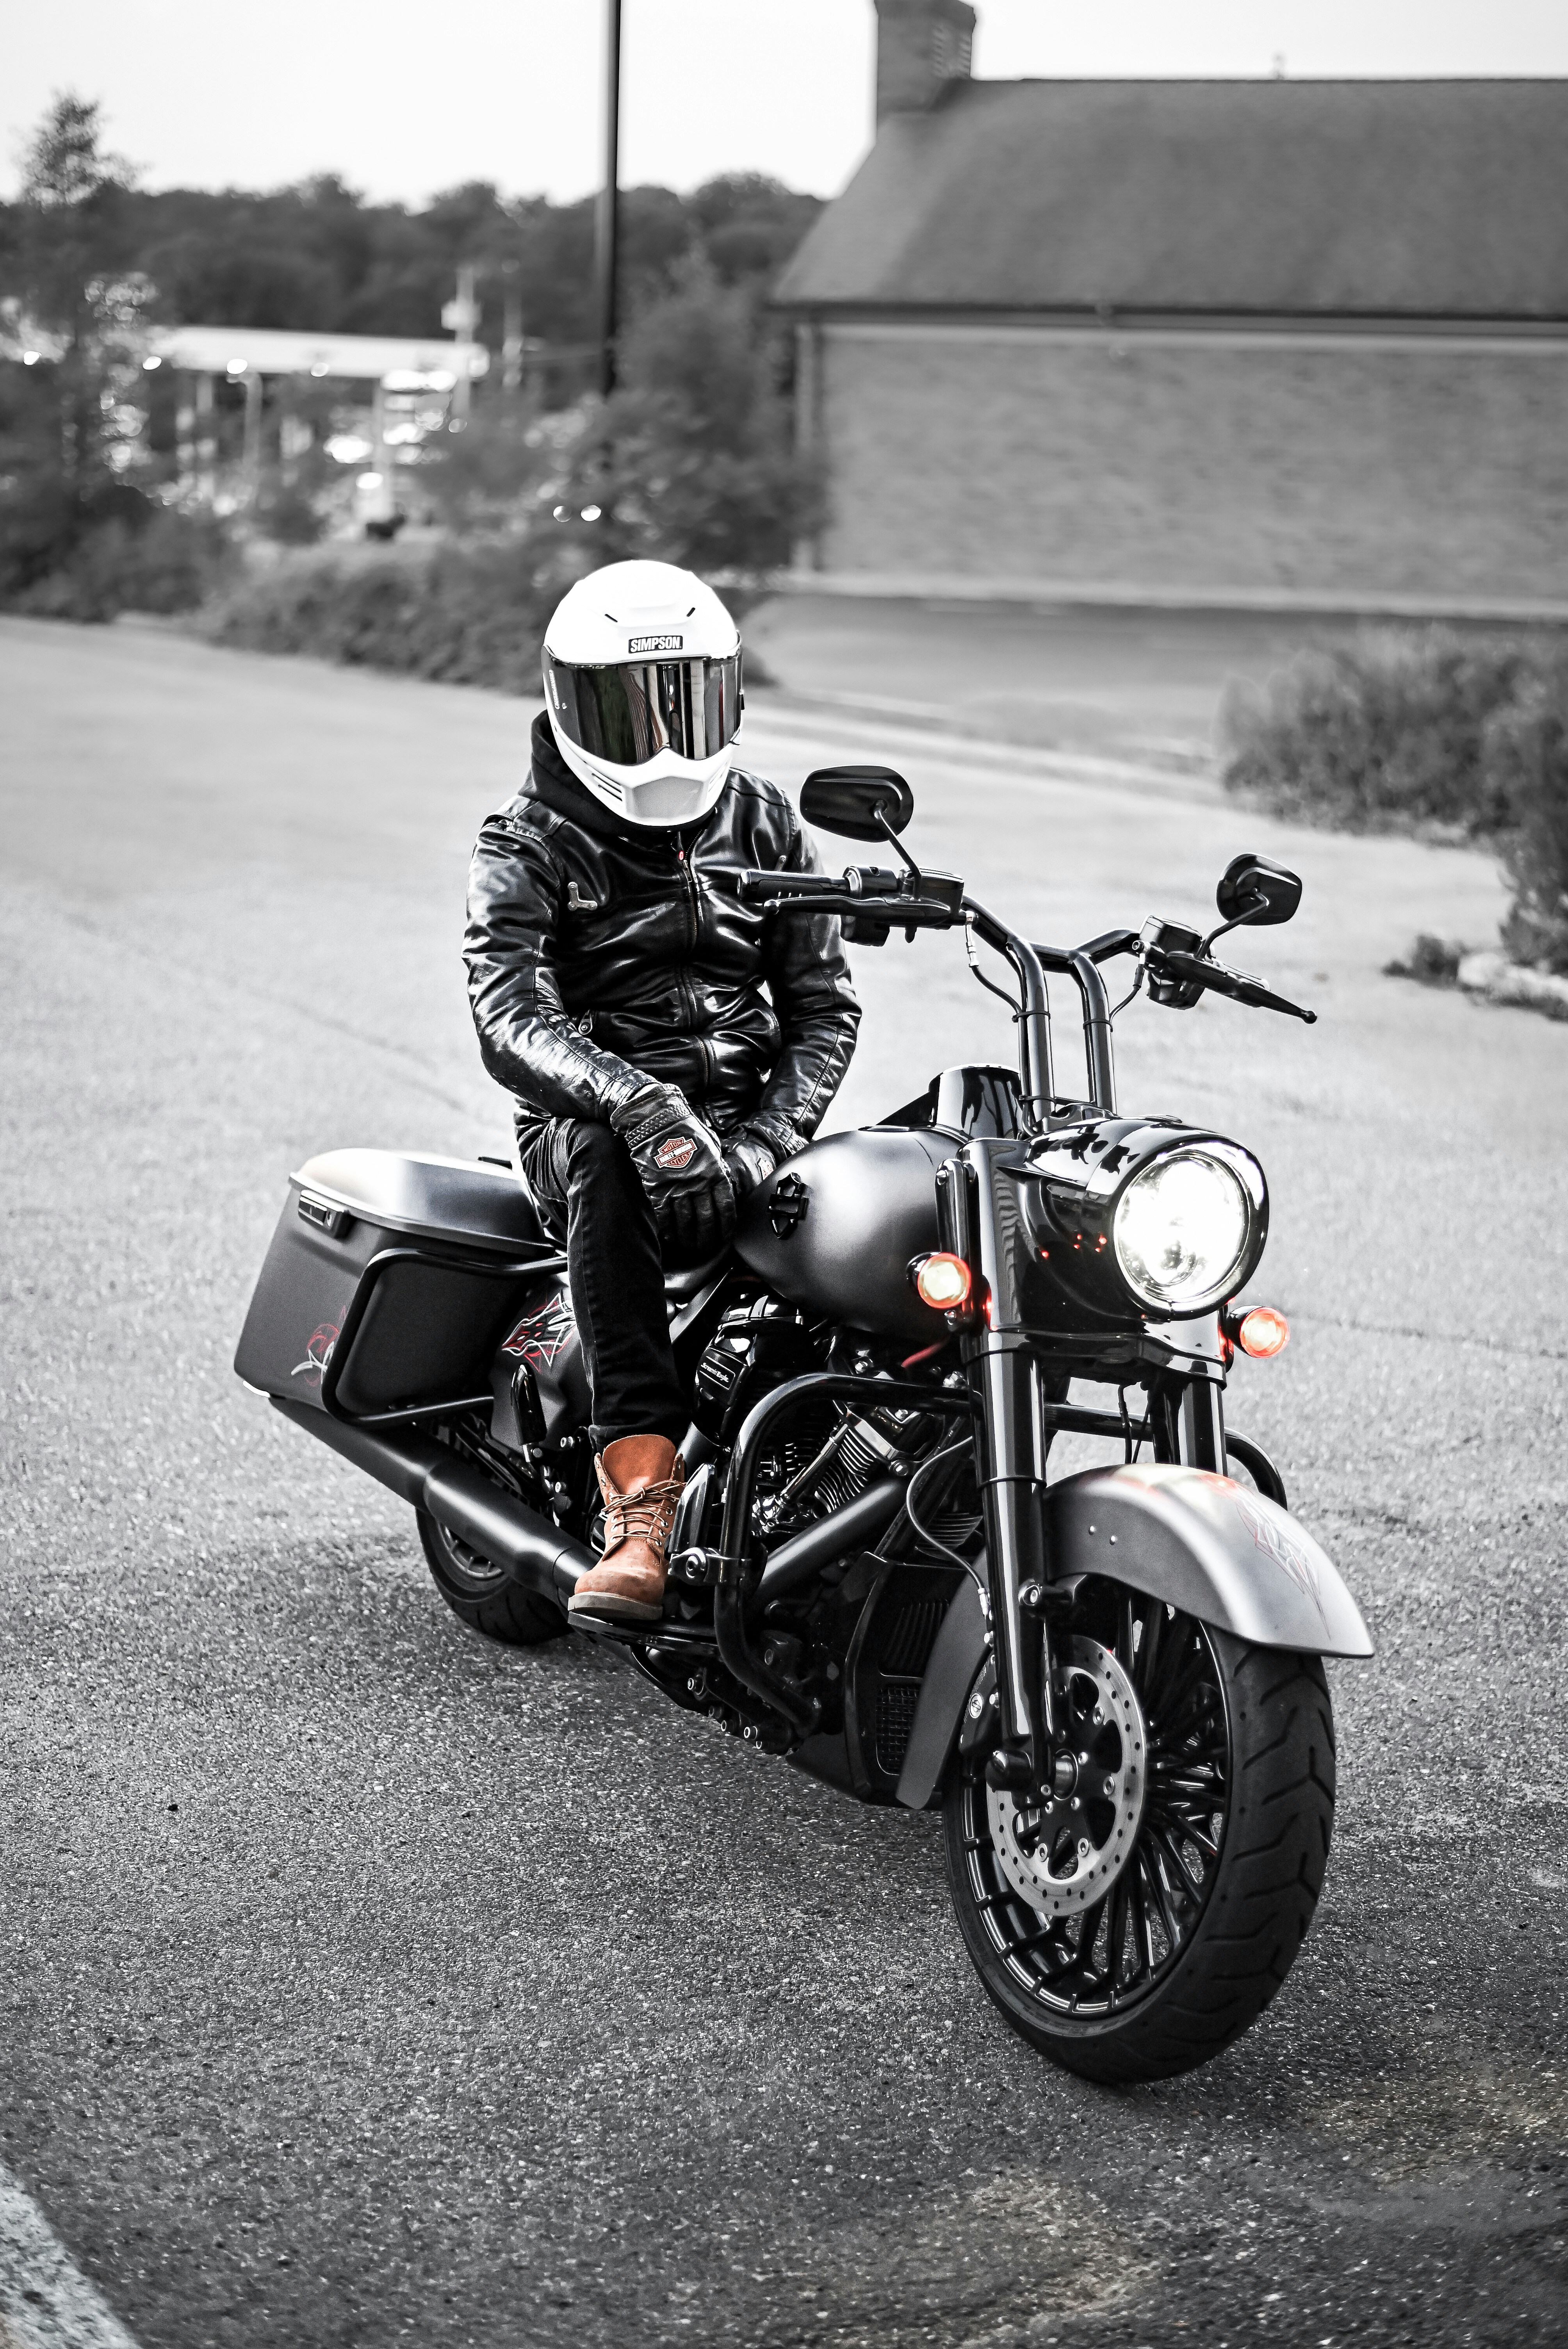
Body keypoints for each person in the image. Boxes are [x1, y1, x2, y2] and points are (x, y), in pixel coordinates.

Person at [463, 559, 860, 1624]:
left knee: (894, 1184)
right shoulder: (525, 842)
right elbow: (509, 1020)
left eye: (684, 699)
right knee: (600, 1159)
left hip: (742, 1129)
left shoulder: (767, 819)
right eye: (628, 708)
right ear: (566, 700)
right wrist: (642, 1109)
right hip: (586, 1132)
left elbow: (825, 1008)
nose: (663, 737)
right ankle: (638, 1505)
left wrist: (768, 1138)